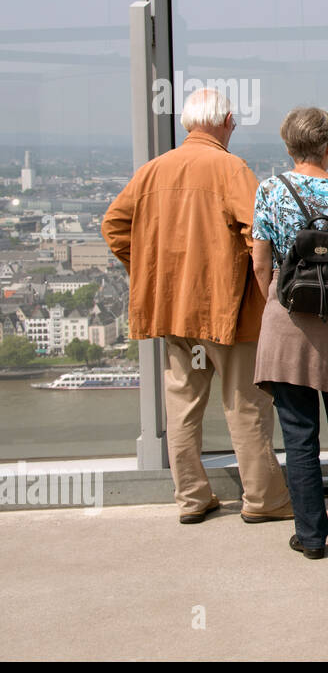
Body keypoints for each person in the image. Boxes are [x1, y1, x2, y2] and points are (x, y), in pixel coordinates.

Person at [102, 88, 293, 525]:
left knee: (183, 404)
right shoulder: (231, 169)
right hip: (229, 313)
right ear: (225, 120)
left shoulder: (153, 171)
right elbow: (258, 238)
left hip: (175, 312)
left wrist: (148, 273)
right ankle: (263, 500)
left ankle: (191, 497)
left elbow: (114, 225)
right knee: (245, 406)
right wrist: (269, 297)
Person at [251, 106, 328, 560]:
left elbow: (261, 263)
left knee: (299, 432)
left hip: (288, 322)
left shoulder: (269, 190)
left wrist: (283, 301)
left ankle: (311, 535)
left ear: (288, 147)